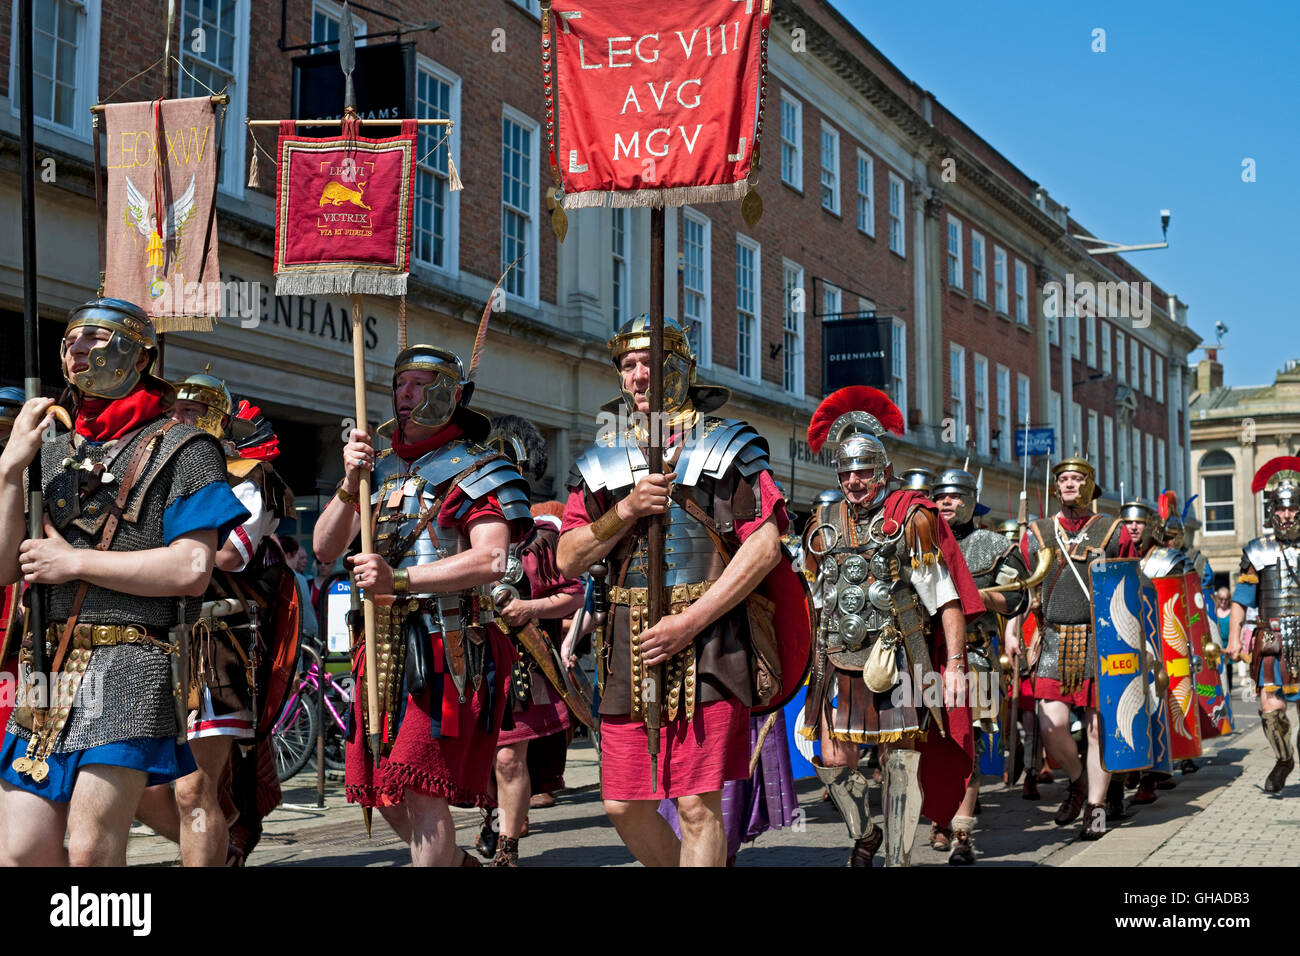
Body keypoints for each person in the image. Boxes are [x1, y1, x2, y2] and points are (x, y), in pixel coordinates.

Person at [0, 298, 247, 866]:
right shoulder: (49, 446)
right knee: (21, 848)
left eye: (94, 337)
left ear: (141, 356)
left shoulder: (188, 448)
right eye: (70, 340)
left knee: (91, 850)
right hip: (48, 658)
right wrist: (12, 468)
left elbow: (191, 569)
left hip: (130, 659)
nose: (76, 349)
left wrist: (75, 563)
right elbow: (5, 566)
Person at [556, 314, 792, 868]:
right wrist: (626, 511)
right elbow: (567, 556)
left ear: (681, 369)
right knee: (621, 802)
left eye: (650, 363)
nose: (638, 376)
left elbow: (765, 547)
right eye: (628, 365)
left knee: (696, 805)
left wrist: (689, 622)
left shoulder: (728, 446)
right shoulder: (601, 460)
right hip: (625, 643)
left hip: (708, 638)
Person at [313, 344, 532, 867]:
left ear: (450, 395)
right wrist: (348, 482)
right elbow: (324, 549)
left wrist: (402, 577)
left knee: (420, 786)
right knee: (382, 787)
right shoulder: (379, 469)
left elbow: (493, 558)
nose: (403, 395)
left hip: (444, 647)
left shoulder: (479, 467)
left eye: (417, 384)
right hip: (380, 644)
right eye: (398, 384)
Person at [801, 387, 983, 867]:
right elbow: (817, 599)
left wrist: (956, 664)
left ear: (883, 471)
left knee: (900, 764)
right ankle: (864, 833)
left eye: (864, 471)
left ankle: (899, 860)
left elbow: (946, 599)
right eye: (847, 472)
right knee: (834, 764)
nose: (855, 480)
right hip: (837, 659)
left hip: (901, 660)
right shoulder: (823, 522)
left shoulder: (911, 519)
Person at [134, 372, 296, 865]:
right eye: (175, 411)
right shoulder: (154, 471)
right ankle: (221, 850)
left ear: (215, 418)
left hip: (217, 640)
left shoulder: (250, 474)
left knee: (192, 789)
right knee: (135, 782)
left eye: (191, 411)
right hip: (155, 636)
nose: (179, 419)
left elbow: (226, 556)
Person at [476, 417, 584, 866]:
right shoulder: (466, 530)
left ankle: (508, 849)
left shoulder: (544, 538)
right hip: (473, 658)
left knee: (507, 759)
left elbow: (573, 594)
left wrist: (531, 610)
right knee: (481, 758)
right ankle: (491, 817)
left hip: (522, 662)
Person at [1012, 458, 1135, 840]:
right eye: (1063, 479)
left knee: (1100, 727)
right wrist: (1013, 632)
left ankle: (1095, 806)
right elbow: (1021, 587)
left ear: (1090, 484)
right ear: (1055, 486)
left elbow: (1131, 589)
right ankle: (1079, 781)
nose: (1069, 484)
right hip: (1053, 637)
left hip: (1103, 639)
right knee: (1052, 725)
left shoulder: (1113, 530)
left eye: (1076, 478)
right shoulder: (1036, 532)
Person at [931, 467, 1030, 864]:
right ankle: (938, 816)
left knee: (966, 745)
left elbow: (1019, 597)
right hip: (923, 656)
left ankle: (961, 832)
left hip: (974, 656)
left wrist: (984, 599)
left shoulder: (992, 544)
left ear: (970, 499)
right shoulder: (920, 539)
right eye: (940, 496)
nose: (946, 502)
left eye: (954, 496)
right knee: (925, 744)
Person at [1227, 456, 1300, 793]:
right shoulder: (1257, 550)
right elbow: (1241, 598)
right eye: (1281, 509)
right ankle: (1284, 758)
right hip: (1270, 637)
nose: (1286, 515)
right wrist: (1234, 640)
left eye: (1293, 508)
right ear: (1272, 511)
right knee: (1271, 709)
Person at [1215, 587, 1233, 691]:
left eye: (1225, 599)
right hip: (1218, 644)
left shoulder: (1232, 612)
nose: (1223, 601)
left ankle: (1229, 689)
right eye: (1221, 599)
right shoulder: (1215, 612)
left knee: (1228, 668)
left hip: (1228, 643)